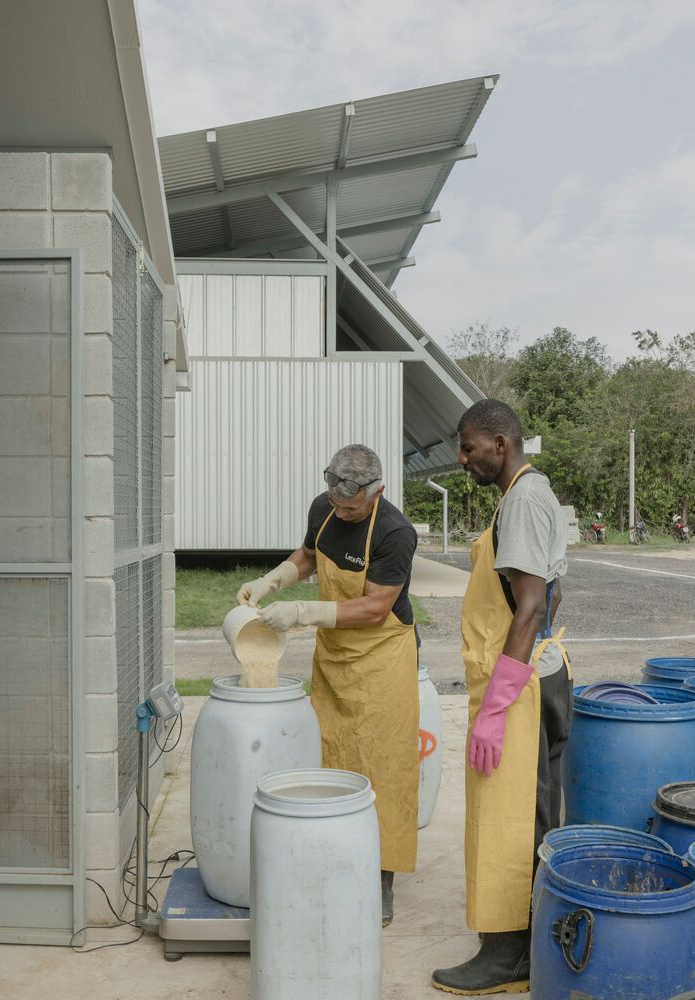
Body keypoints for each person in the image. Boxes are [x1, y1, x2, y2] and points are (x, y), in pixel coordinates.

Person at [236, 444, 419, 927]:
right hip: (336, 655)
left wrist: (303, 612)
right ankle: (334, 854)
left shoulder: (395, 532)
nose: (341, 511)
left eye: (351, 507)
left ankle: (380, 878)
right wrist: (274, 580)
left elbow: (376, 608)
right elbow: (309, 556)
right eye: (336, 502)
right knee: (332, 753)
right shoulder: (325, 507)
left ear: (377, 491)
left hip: (382, 658)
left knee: (381, 766)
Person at [432, 400, 572, 996]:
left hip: (517, 689)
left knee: (509, 820)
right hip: (532, 674)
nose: (462, 459)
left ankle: (509, 954)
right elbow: (550, 593)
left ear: (499, 441)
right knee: (534, 815)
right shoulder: (529, 493)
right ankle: (528, 942)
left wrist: (496, 706)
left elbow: (534, 606)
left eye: (468, 448)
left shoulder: (521, 500)